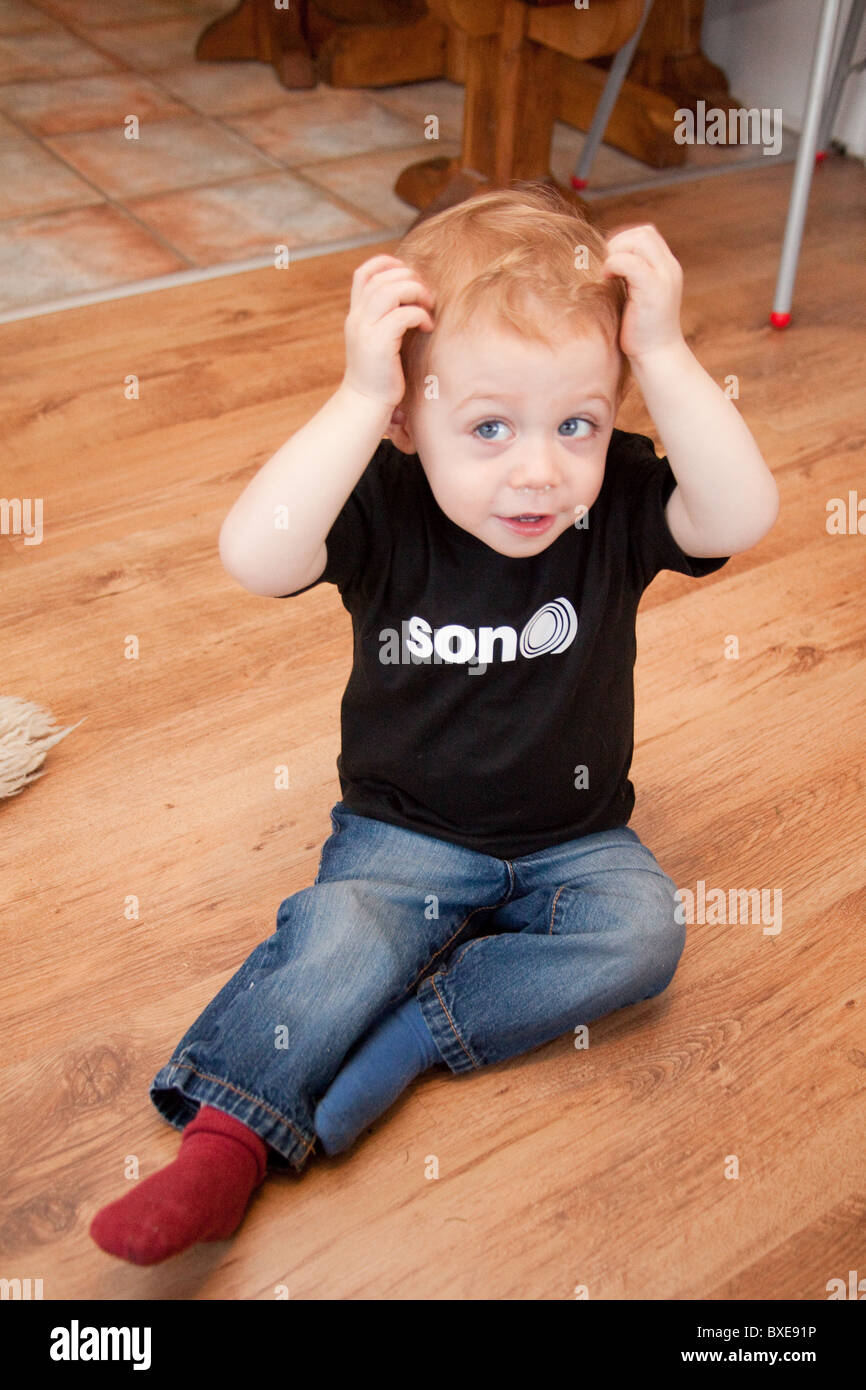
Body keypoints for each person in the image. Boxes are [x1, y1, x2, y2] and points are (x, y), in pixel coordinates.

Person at [90, 183, 779, 1266]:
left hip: (575, 838)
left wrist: (667, 351)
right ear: (410, 424)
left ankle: (417, 1034)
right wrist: (360, 395)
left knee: (643, 934)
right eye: (488, 425)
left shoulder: (611, 505)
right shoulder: (384, 498)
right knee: (336, 942)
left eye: (576, 422)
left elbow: (738, 513)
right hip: (402, 833)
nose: (537, 467)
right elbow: (256, 553)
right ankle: (225, 1139)